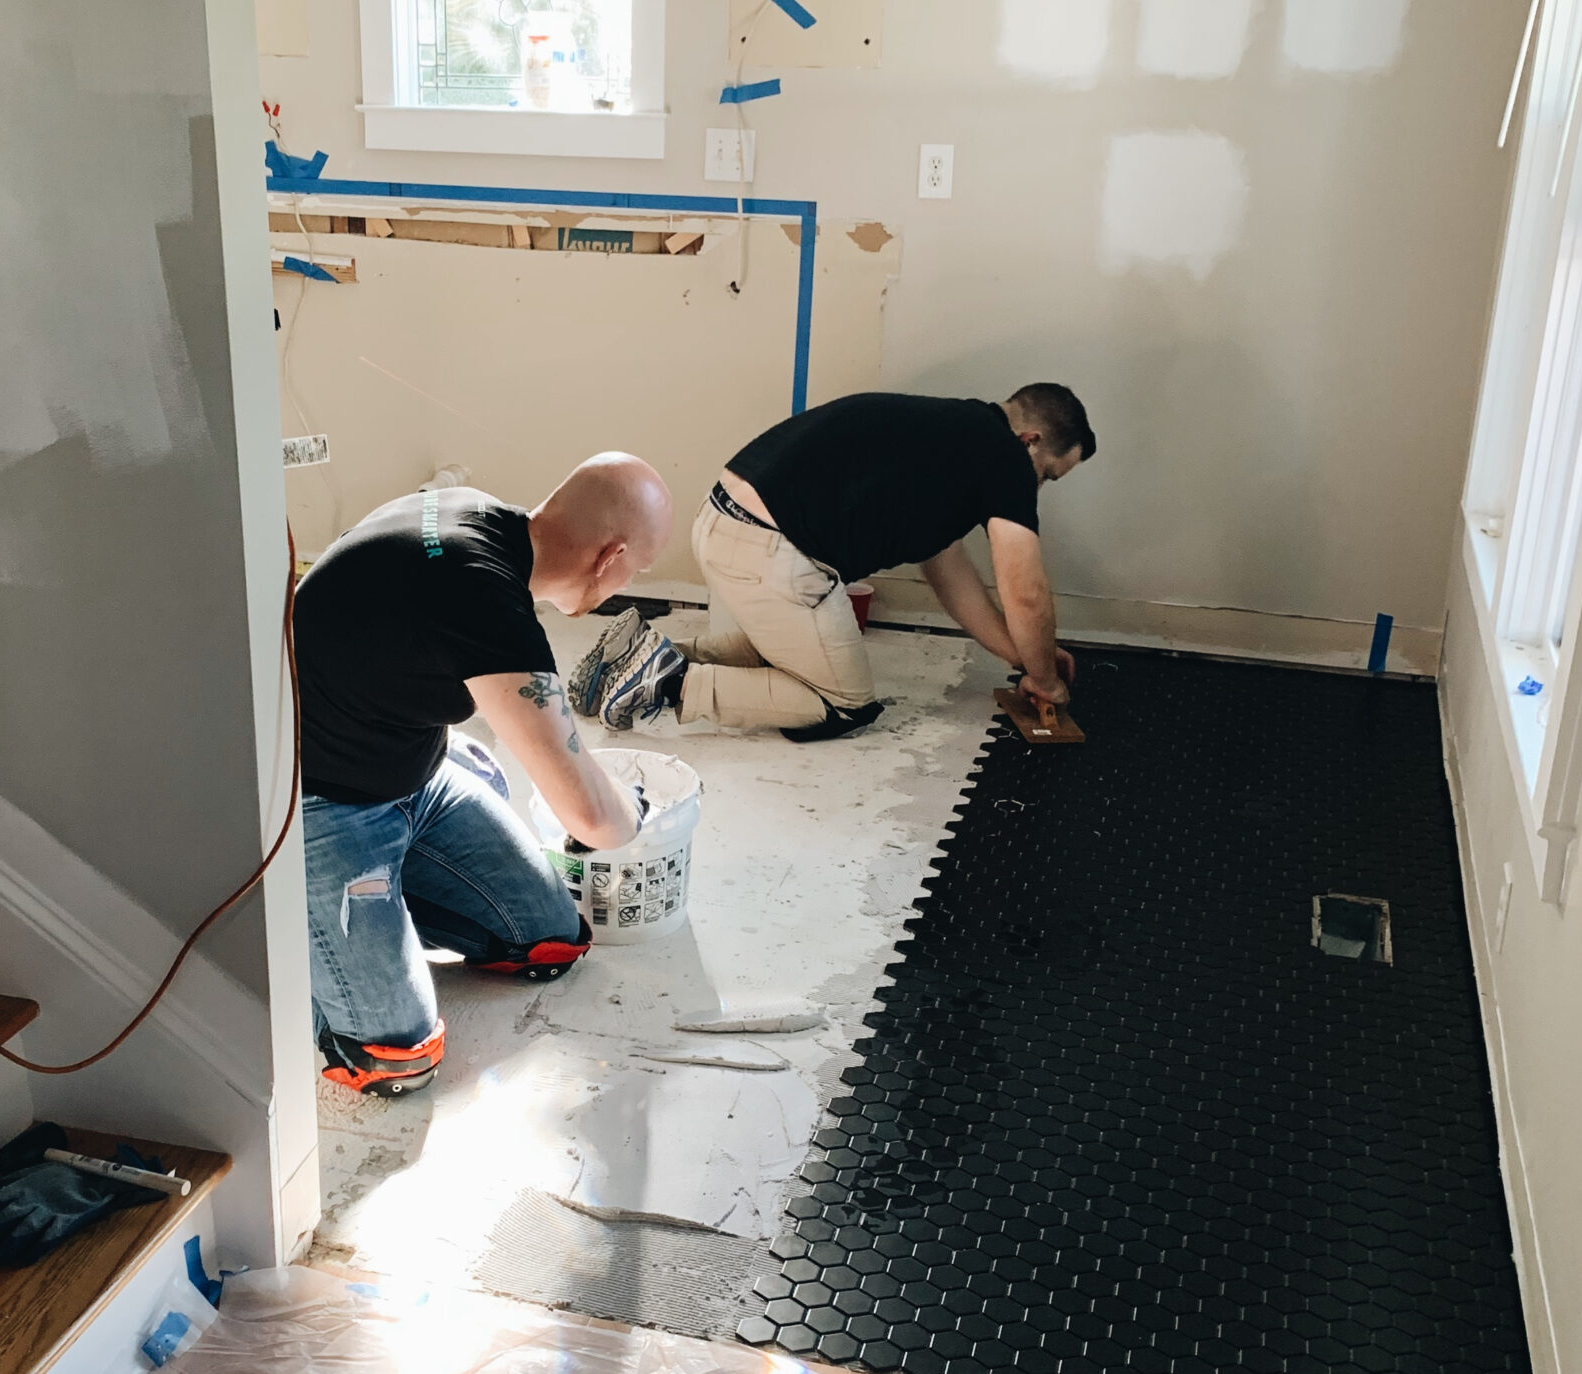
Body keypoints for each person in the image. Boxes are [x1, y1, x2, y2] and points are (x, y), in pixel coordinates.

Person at [296, 454, 674, 1095]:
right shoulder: (482, 603)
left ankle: (375, 905)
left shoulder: (476, 513)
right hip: (319, 805)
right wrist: (632, 812)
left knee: (549, 943)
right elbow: (595, 820)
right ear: (610, 557)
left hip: (414, 773)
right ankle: (292, 916)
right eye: (635, 570)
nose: (624, 584)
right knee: (394, 1062)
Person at [571, 384, 1094, 739]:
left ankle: (645, 651)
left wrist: (1026, 657)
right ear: (1031, 439)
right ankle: (670, 683)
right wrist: (1047, 683)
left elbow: (952, 576)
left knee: (786, 651)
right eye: (1047, 474)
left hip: (726, 521)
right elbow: (1024, 588)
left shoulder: (949, 439)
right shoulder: (1002, 455)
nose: (1036, 488)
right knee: (845, 704)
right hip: (772, 549)